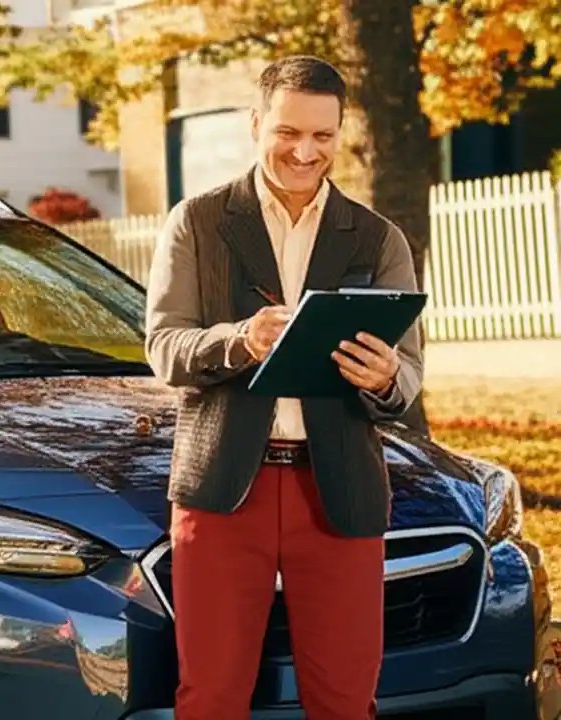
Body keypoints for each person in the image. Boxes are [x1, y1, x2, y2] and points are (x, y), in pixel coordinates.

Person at [143, 55, 424, 720]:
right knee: (209, 696)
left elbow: (407, 376)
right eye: (288, 132)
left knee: (346, 699)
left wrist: (386, 378)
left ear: (340, 132)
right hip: (221, 488)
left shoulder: (379, 238)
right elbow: (163, 347)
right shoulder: (197, 223)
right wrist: (238, 340)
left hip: (339, 488)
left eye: (323, 136)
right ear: (256, 124)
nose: (305, 152)